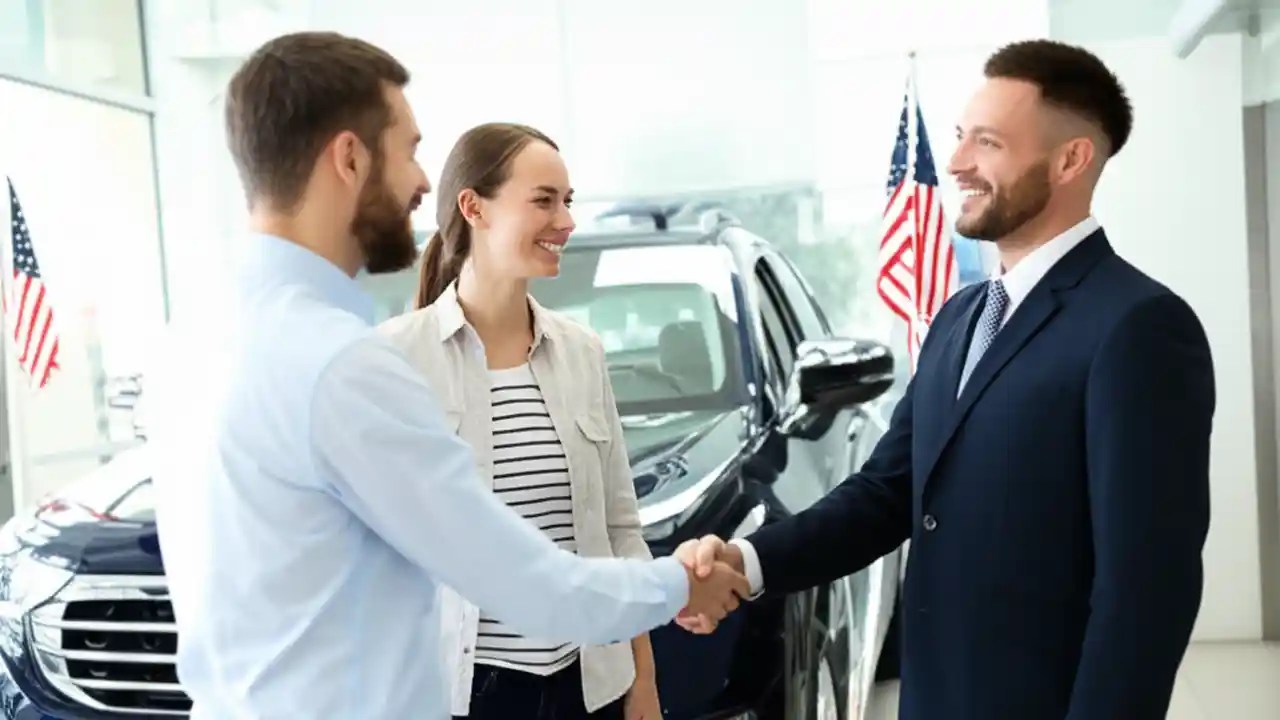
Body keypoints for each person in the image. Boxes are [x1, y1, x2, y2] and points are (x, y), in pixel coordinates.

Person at [145, 32, 748, 720]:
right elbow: (526, 583)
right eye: (407, 149)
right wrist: (682, 586)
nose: (422, 181)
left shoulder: (189, 345)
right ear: (348, 157)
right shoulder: (344, 365)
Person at [676, 39, 1216, 720]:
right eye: (961, 137)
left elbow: (1146, 586)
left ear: (1071, 159)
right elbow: (890, 493)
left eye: (986, 142)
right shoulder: (961, 316)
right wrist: (747, 563)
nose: (956, 162)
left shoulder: (1138, 327)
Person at [376, 122, 661, 720]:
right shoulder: (396, 359)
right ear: (474, 207)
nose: (566, 220)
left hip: (591, 686)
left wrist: (644, 682)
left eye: (568, 200)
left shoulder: (582, 352)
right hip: (464, 695)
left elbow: (620, 533)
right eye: (543, 200)